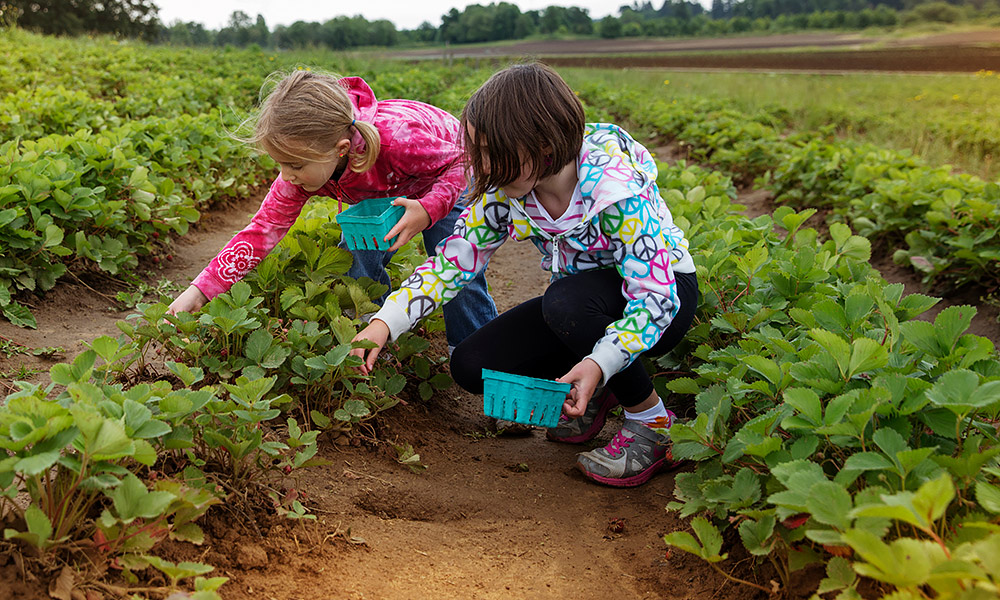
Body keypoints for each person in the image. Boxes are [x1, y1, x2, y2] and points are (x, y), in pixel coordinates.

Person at [351, 63, 699, 488]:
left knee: (566, 303)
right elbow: (452, 263)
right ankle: (605, 382)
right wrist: (385, 322)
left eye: (490, 151)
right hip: (585, 305)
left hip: (664, 301)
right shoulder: (504, 187)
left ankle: (652, 422)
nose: (479, 165)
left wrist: (599, 360)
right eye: (476, 150)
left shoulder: (614, 191)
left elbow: (656, 298)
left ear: (543, 144)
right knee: (472, 365)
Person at [167, 70, 498, 350]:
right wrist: (199, 291)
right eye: (280, 163)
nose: (286, 176)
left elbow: (462, 161)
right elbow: (262, 229)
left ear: (340, 150)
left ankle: (476, 353)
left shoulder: (397, 139)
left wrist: (428, 209)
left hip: (443, 173)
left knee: (455, 262)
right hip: (385, 188)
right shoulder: (302, 171)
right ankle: (369, 337)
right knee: (358, 255)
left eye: (294, 165)